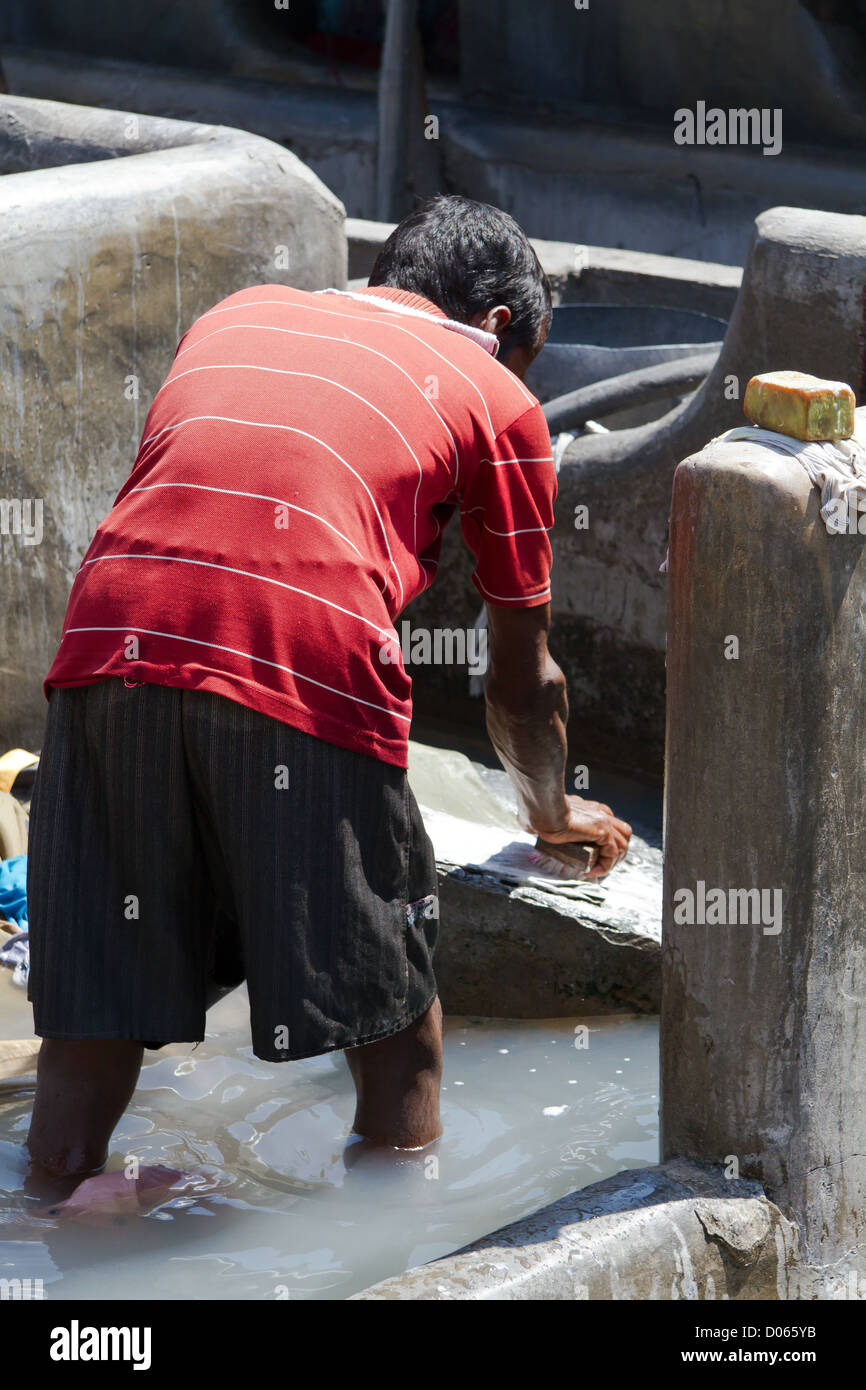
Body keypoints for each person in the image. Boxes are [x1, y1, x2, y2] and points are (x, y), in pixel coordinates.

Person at [25, 195, 631, 1183]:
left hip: (104, 643)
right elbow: (521, 680)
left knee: (91, 1028)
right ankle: (398, 1255)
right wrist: (549, 810)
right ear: (499, 328)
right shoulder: (495, 394)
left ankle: (48, 1231)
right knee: (398, 1029)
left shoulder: (238, 314)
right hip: (300, 655)